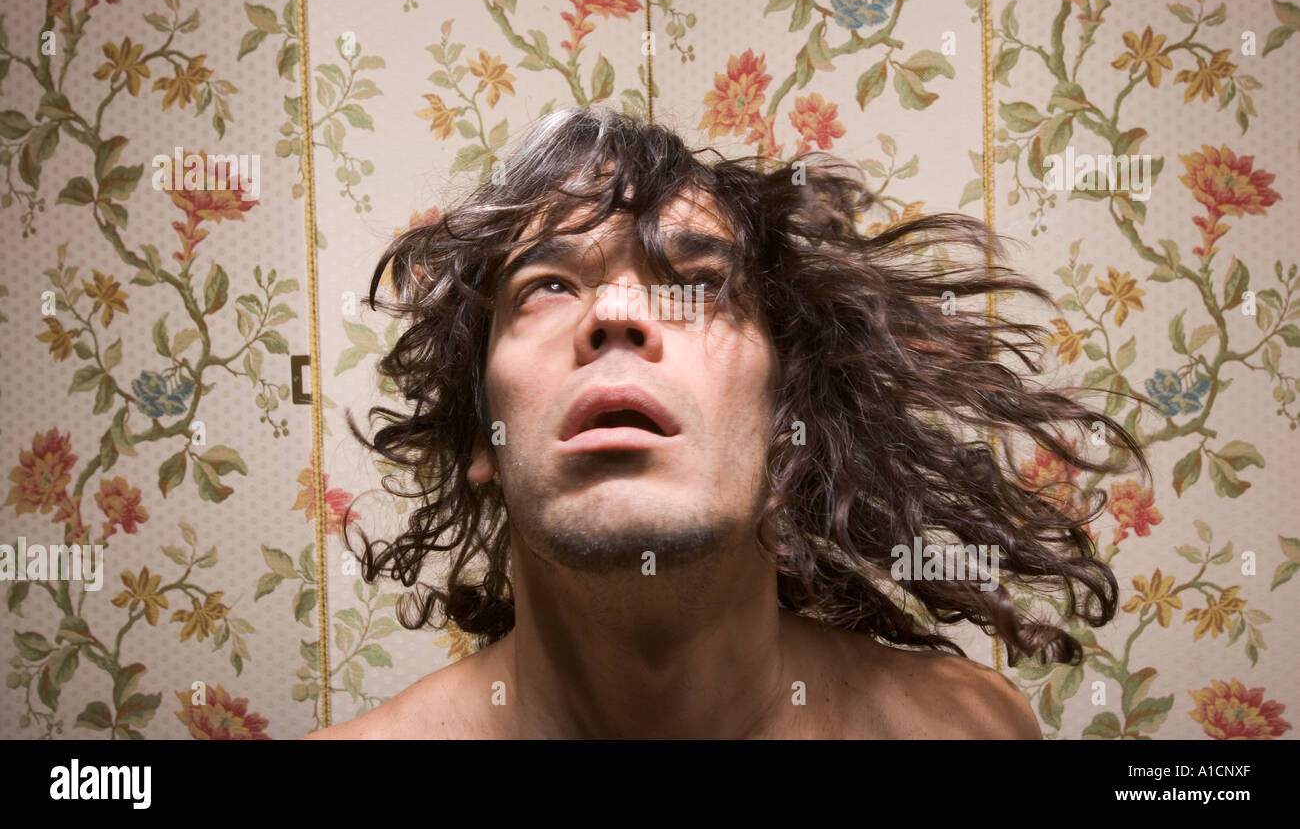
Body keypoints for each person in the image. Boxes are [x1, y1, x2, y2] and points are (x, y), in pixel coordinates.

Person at [305, 106, 1147, 739]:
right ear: (474, 439)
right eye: (550, 286)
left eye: (697, 284)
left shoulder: (967, 731)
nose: (619, 314)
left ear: (790, 420)